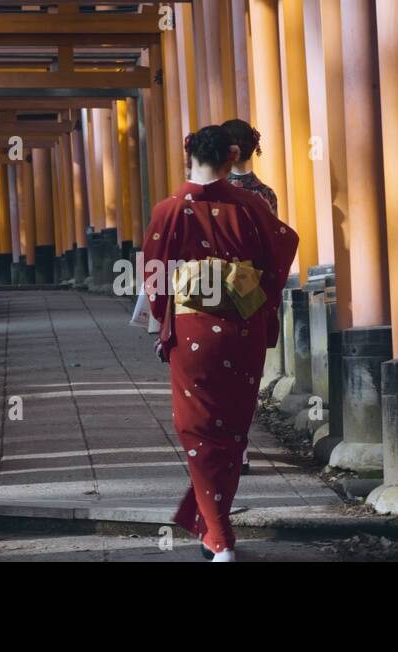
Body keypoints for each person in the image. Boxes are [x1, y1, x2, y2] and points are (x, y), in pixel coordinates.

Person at [141, 126, 298, 561]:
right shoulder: (250, 205)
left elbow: (154, 279)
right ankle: (213, 532)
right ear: (232, 158)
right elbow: (282, 250)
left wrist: (164, 323)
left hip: (194, 330)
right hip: (241, 329)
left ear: (188, 153)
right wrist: (258, 302)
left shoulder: (169, 210)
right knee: (230, 434)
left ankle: (221, 540)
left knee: (197, 431)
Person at [222, 118, 280, 475]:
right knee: (246, 373)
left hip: (216, 285)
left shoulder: (212, 194)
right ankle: (240, 445)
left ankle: (224, 444)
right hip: (252, 286)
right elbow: (274, 244)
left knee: (217, 372)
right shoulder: (265, 194)